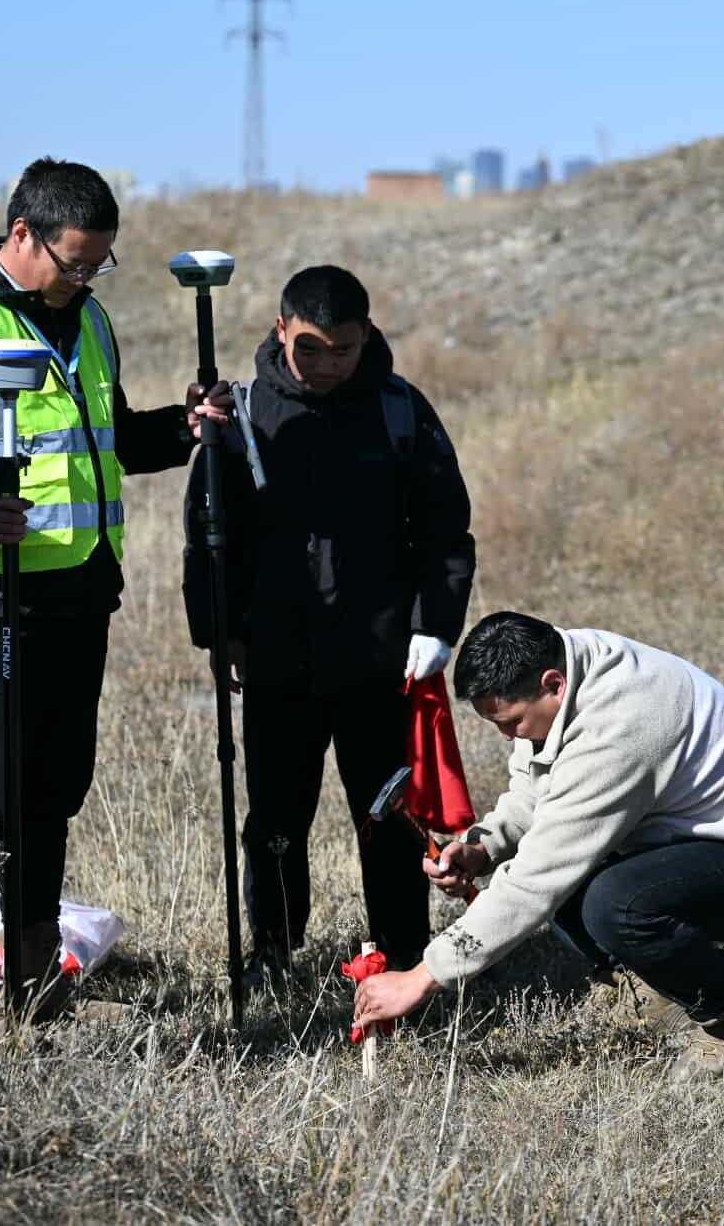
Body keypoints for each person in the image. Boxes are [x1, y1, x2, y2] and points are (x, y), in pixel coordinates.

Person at [0, 158, 228, 1037]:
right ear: (22, 235)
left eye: (99, 265)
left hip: (81, 594)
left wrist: (180, 429)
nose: (85, 279)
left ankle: (36, 976)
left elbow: (102, 442)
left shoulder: (89, 321)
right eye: (74, 261)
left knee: (53, 787)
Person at [351, 612, 724, 1082]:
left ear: (553, 684)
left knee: (614, 904)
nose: (506, 736)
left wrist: (420, 977)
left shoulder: (619, 724)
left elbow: (537, 881)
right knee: (582, 878)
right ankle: (652, 992)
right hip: (691, 841)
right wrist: (483, 847)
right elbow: (538, 794)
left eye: (512, 722)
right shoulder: (560, 666)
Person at [197, 264, 475, 981]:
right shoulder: (244, 415)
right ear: (280, 329)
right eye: (311, 348)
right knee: (277, 817)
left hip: (382, 660)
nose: (327, 364)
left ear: (368, 335)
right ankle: (274, 947)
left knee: (388, 816)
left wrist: (436, 624)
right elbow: (207, 532)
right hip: (278, 655)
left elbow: (446, 526)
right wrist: (219, 628)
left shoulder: (399, 410)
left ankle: (405, 951)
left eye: (344, 349)